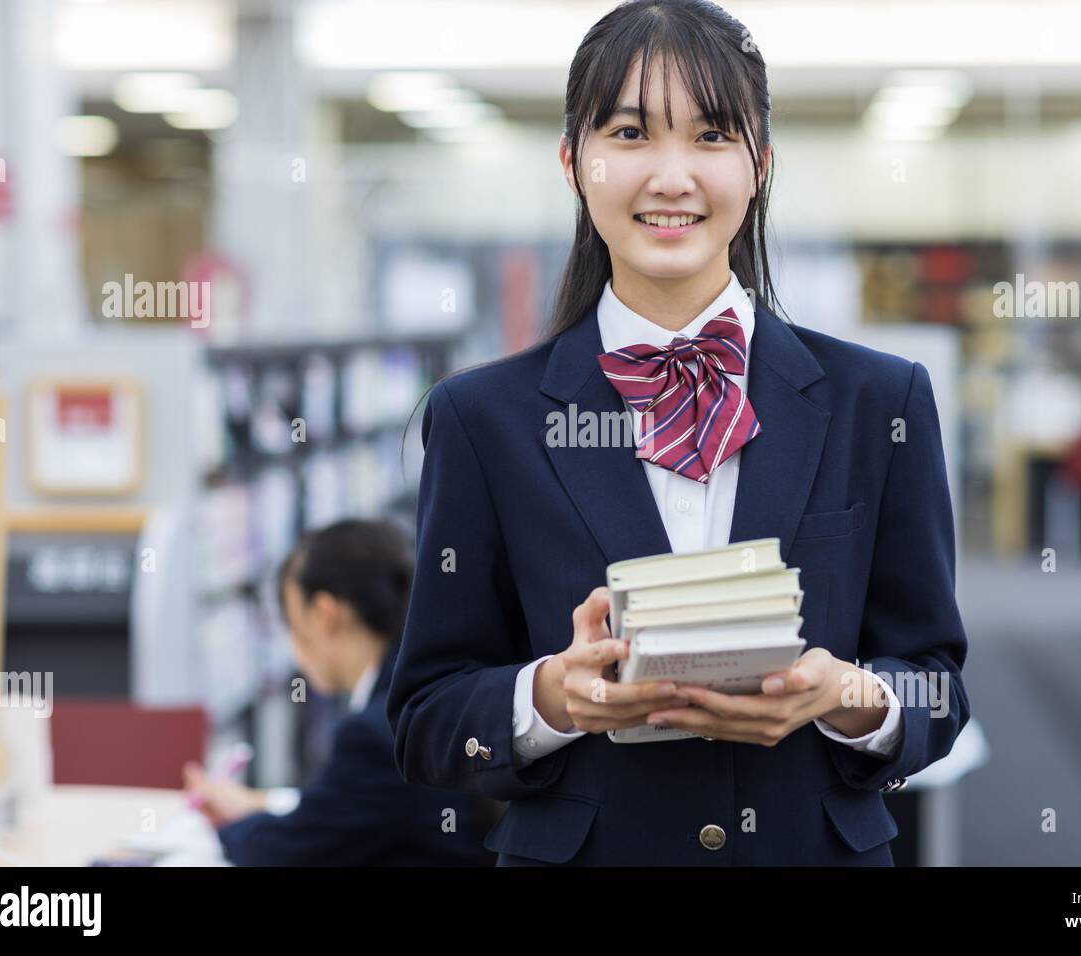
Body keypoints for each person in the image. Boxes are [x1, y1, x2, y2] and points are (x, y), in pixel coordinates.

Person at [387, 0, 970, 866]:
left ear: (760, 166)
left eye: (709, 135)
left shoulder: (879, 401)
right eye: (629, 134)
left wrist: (845, 695)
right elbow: (426, 720)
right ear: (574, 163)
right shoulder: (481, 420)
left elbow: (939, 688)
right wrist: (552, 695)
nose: (670, 176)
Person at [184, 519, 495, 866]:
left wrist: (222, 830)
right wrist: (260, 805)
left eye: (290, 622)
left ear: (324, 614)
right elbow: (341, 808)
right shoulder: (425, 684)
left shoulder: (377, 733)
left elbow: (286, 852)